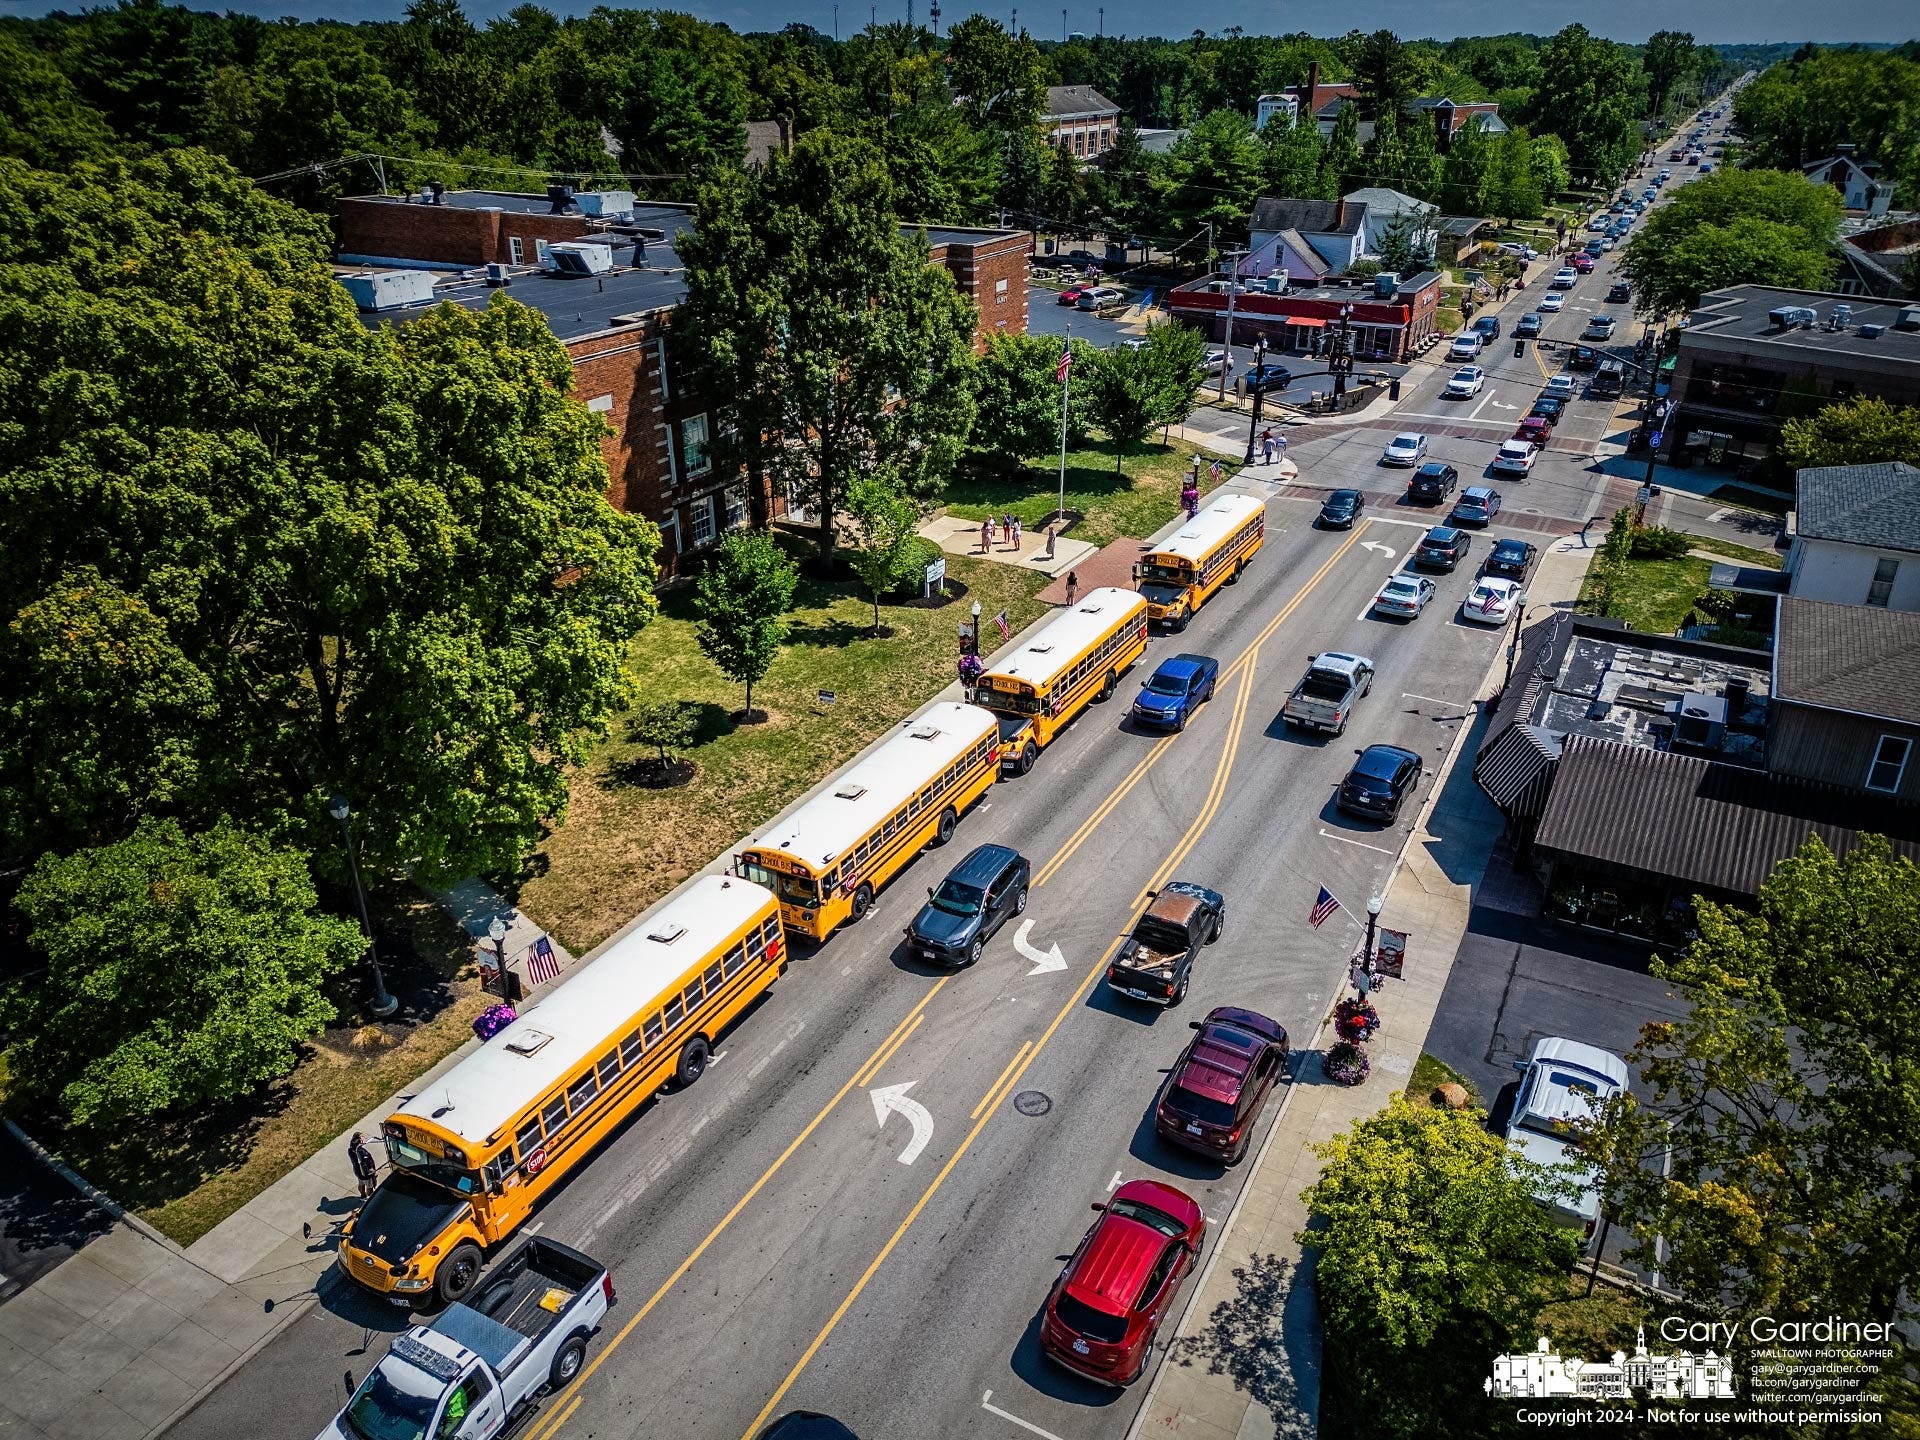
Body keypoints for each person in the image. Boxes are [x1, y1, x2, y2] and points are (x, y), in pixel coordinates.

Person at [349, 1131, 378, 1201]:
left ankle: (363, 1195)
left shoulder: (350, 1150)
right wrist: (372, 1171)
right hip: (366, 1174)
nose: (362, 1140)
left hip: (358, 1171)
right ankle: (370, 1199)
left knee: (361, 1183)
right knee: (370, 1187)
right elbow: (365, 1162)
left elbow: (355, 1136)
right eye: (360, 1140)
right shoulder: (361, 1153)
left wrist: (359, 1135)